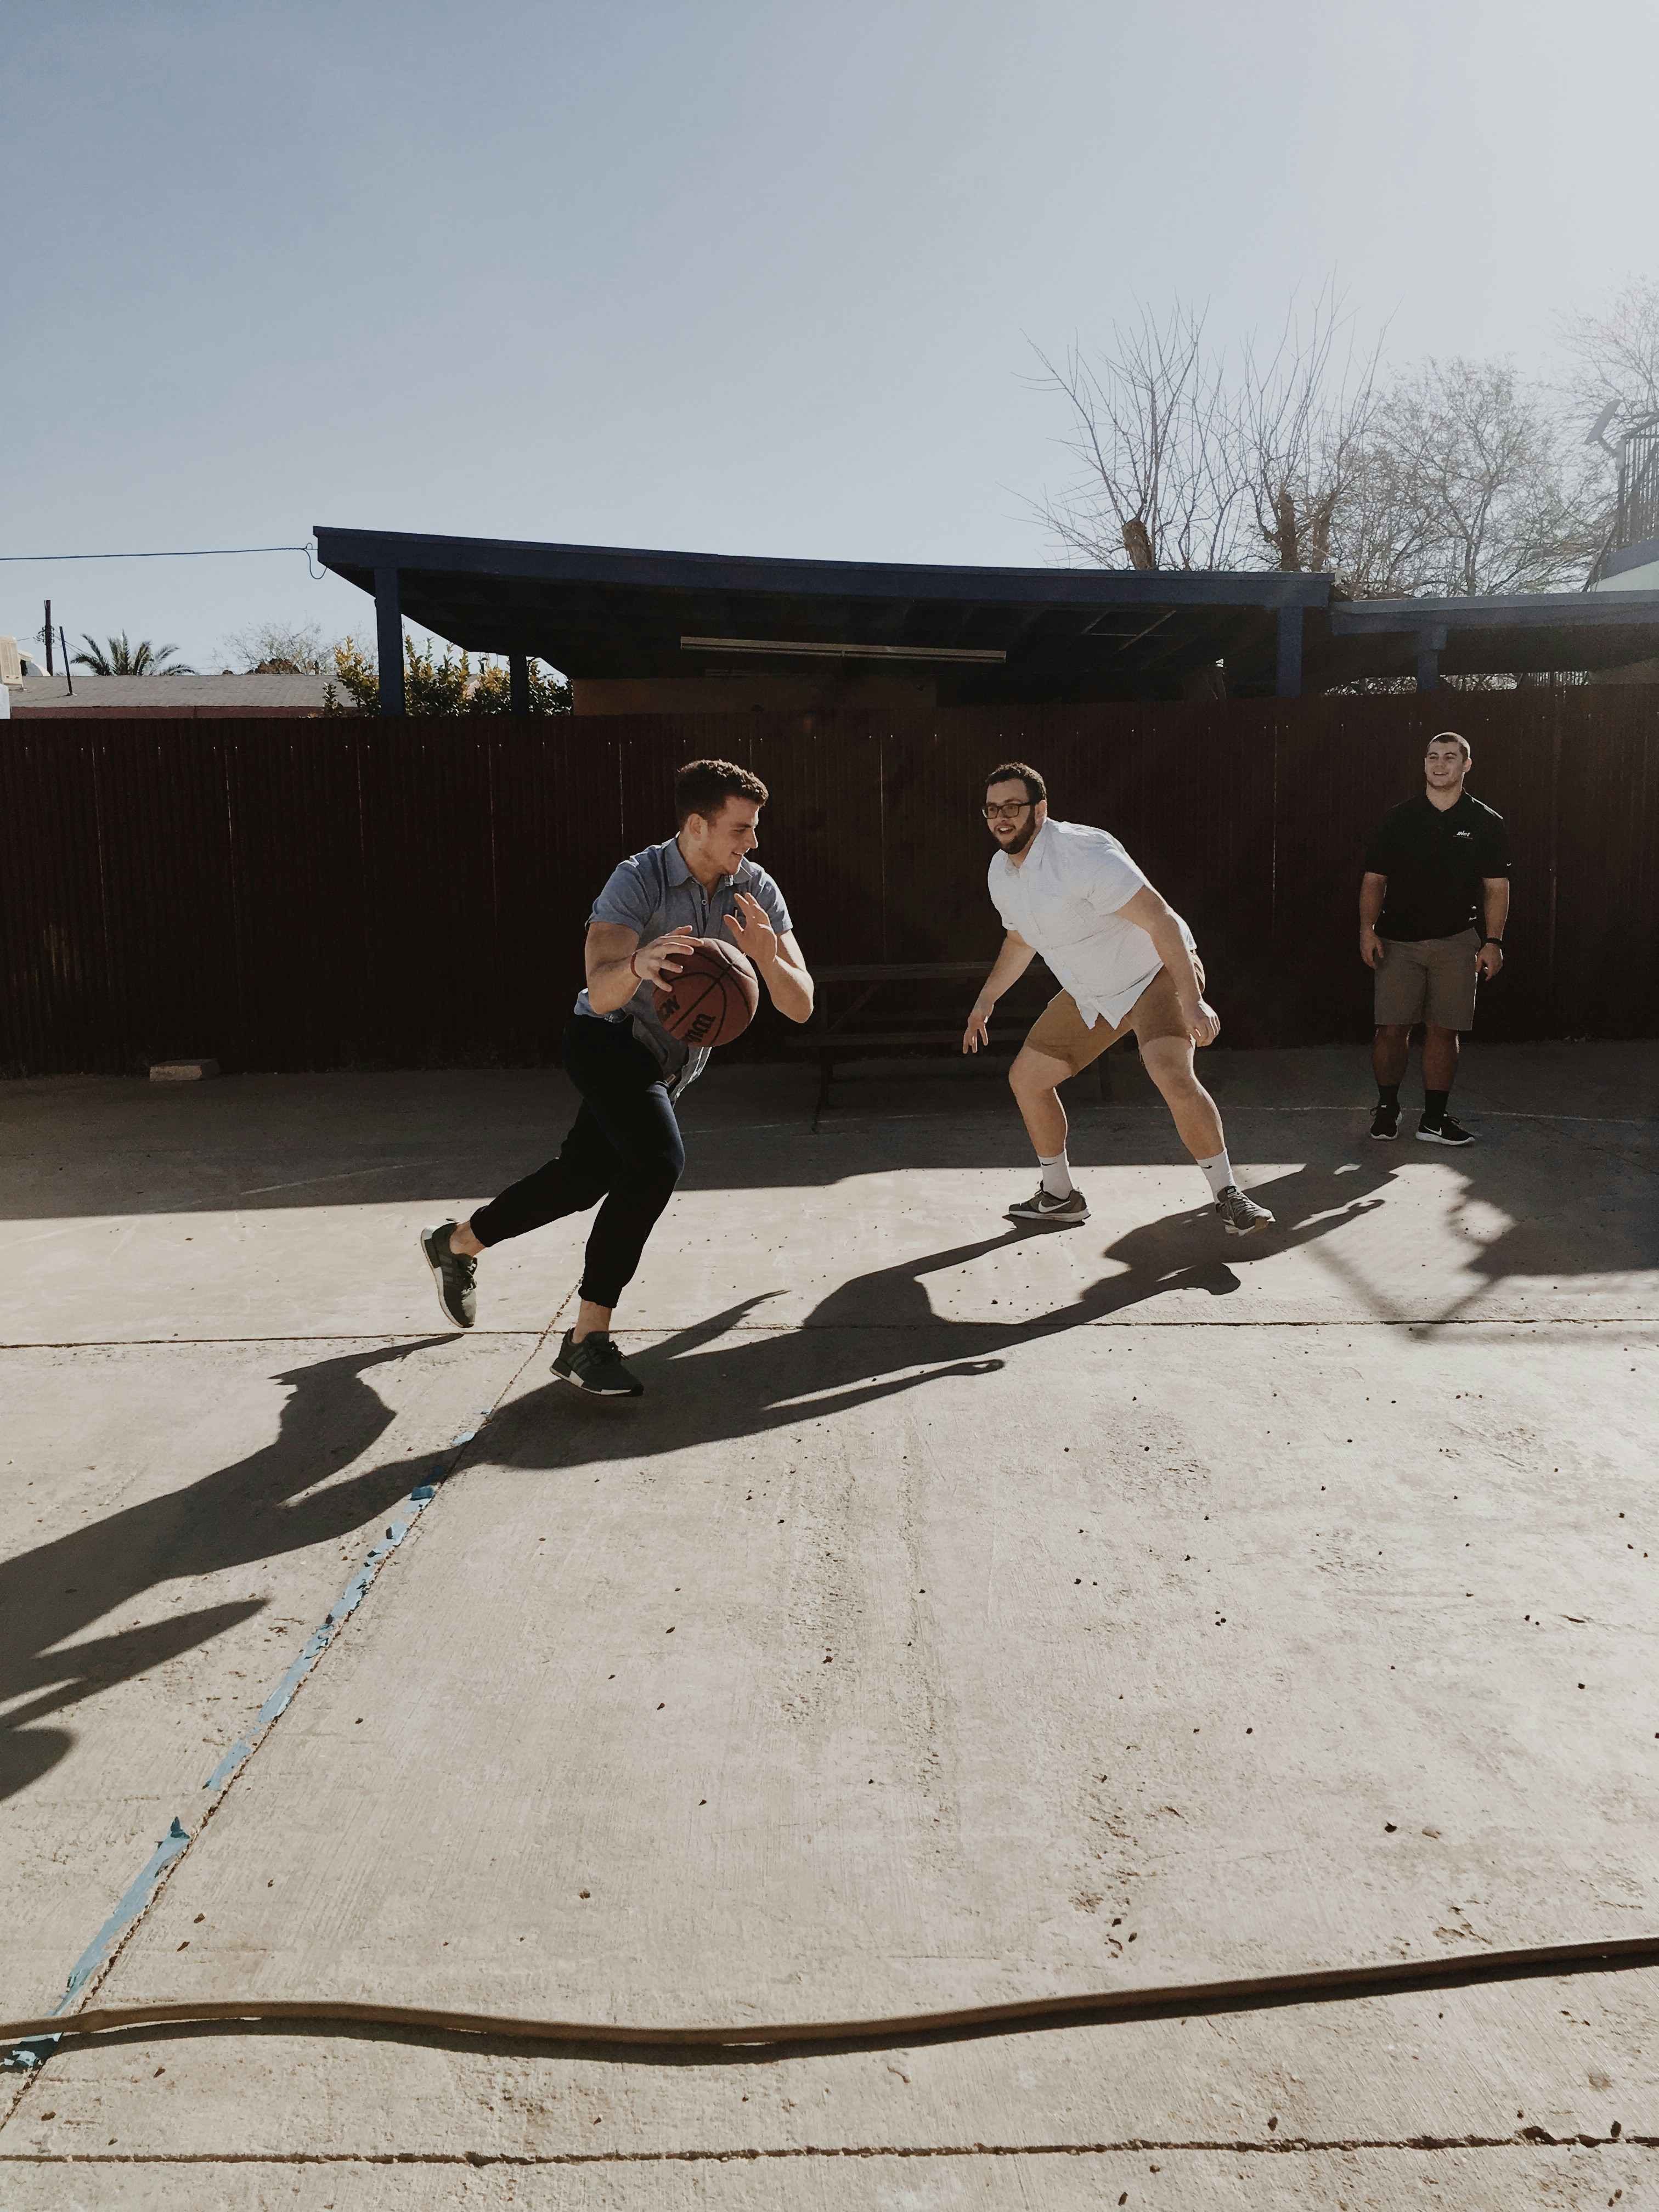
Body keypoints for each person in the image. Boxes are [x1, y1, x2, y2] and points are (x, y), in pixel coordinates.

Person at [420, 759, 814, 1395]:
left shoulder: (756, 888)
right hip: (604, 1040)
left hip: (666, 1062)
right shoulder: (638, 879)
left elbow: (801, 1005)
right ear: (696, 824)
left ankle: (457, 1244)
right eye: (741, 828)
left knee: (580, 1180)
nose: (754, 842)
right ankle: (586, 1340)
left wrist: (770, 961)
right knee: (657, 1161)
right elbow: (601, 992)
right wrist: (638, 962)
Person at [962, 762, 1274, 1236]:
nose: (1001, 817)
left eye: (1013, 806)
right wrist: (985, 1001)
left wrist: (1192, 1000)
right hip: (1092, 994)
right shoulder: (1001, 872)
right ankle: (1060, 1197)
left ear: (1040, 810)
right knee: (1027, 1079)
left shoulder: (1082, 853)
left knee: (1169, 1070)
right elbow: (1020, 940)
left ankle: (1229, 1195)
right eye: (992, 809)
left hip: (1156, 975)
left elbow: (1162, 920)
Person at [1360, 731, 1510, 1146]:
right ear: (1424, 764)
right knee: (1391, 1029)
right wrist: (1366, 930)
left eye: (1449, 756)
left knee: (1445, 1031)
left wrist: (1493, 942)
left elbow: (1497, 887)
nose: (1439, 764)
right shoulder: (1397, 819)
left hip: (1458, 940)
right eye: (1432, 757)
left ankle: (1434, 1120)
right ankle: (1387, 1109)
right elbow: (1374, 880)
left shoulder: (1486, 822)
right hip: (1397, 942)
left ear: (1467, 764)